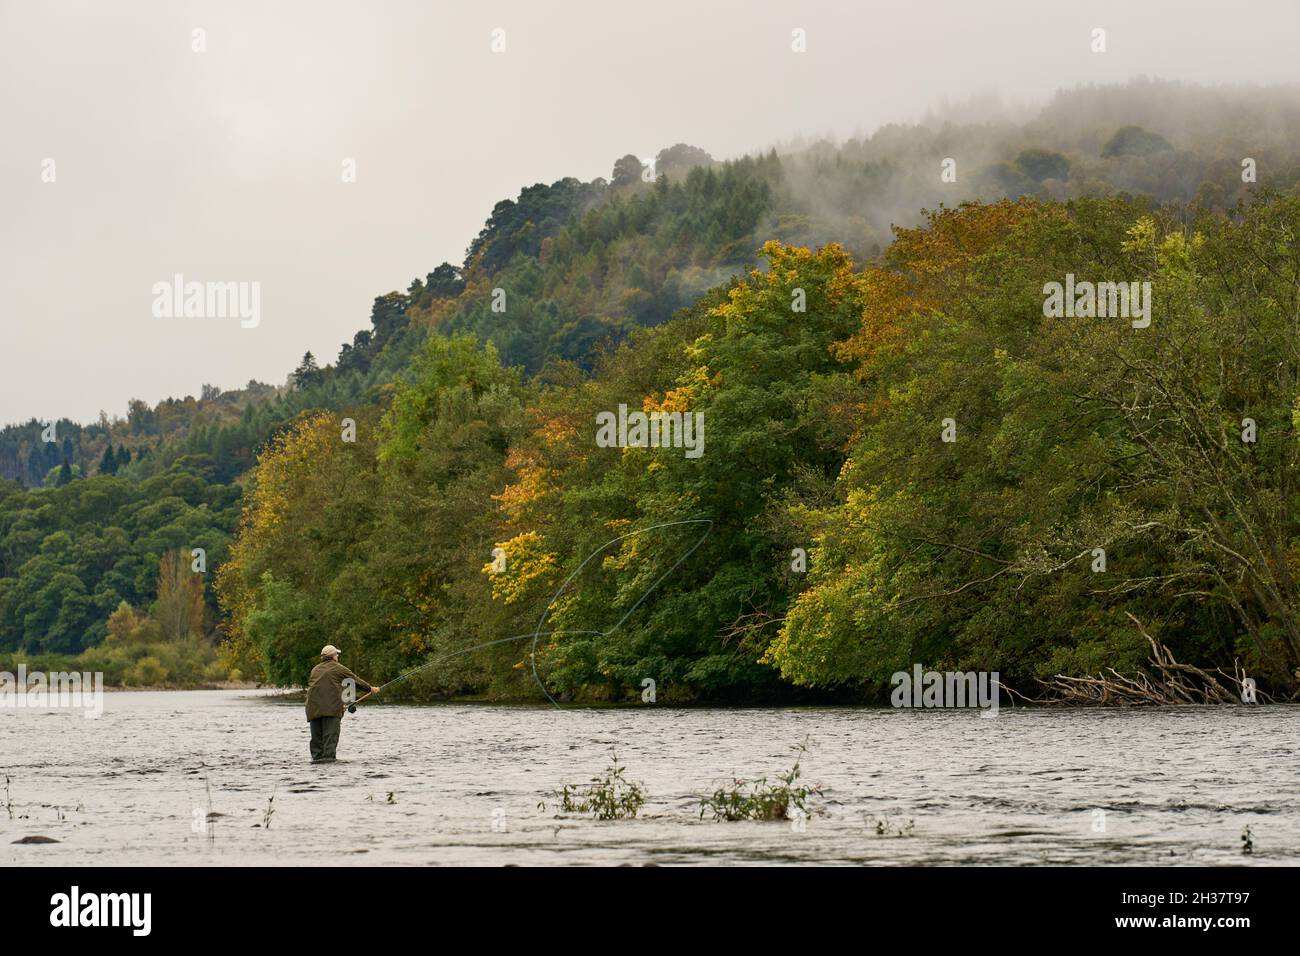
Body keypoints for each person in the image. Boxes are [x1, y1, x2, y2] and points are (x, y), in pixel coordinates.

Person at [305, 644, 379, 762]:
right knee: (330, 744)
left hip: (312, 711)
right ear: (333, 656)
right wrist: (370, 689)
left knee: (317, 746)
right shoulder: (338, 668)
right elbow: (354, 680)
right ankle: (329, 774)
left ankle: (316, 772)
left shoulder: (315, 670)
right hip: (330, 711)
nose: (337, 657)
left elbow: (323, 689)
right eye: (337, 655)